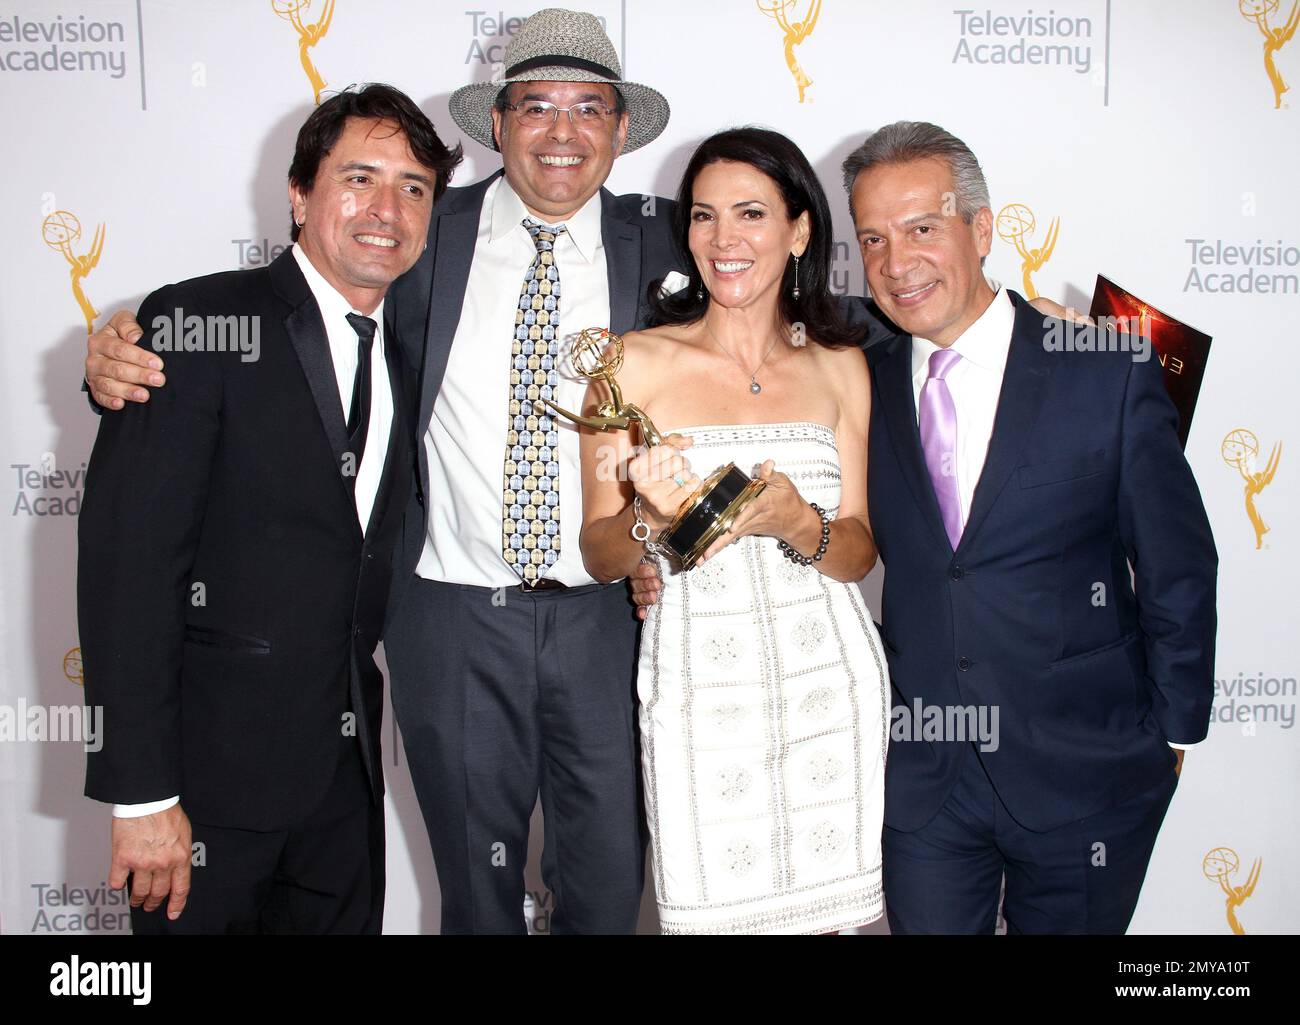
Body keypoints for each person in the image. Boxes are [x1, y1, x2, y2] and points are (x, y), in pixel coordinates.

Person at [78, 84, 461, 933]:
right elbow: (127, 569)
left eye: (413, 188)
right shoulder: (196, 323)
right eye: (358, 178)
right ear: (298, 192)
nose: (386, 209)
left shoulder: (409, 347)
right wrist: (140, 791)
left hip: (344, 784)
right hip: (204, 795)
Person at [840, 122, 1216, 933]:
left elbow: (1178, 561)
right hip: (924, 780)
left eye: (922, 229)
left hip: (1089, 771)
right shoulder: (854, 375)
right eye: (873, 238)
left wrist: (1171, 732)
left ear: (982, 230)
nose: (896, 263)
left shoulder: (1103, 368)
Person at [578, 128, 888, 934]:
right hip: (698, 696)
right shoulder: (625, 365)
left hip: (830, 689)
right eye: (705, 217)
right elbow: (598, 552)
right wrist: (648, 515)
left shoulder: (841, 364)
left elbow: (857, 551)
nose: (725, 240)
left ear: (800, 230)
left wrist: (797, 521)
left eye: (751, 213)